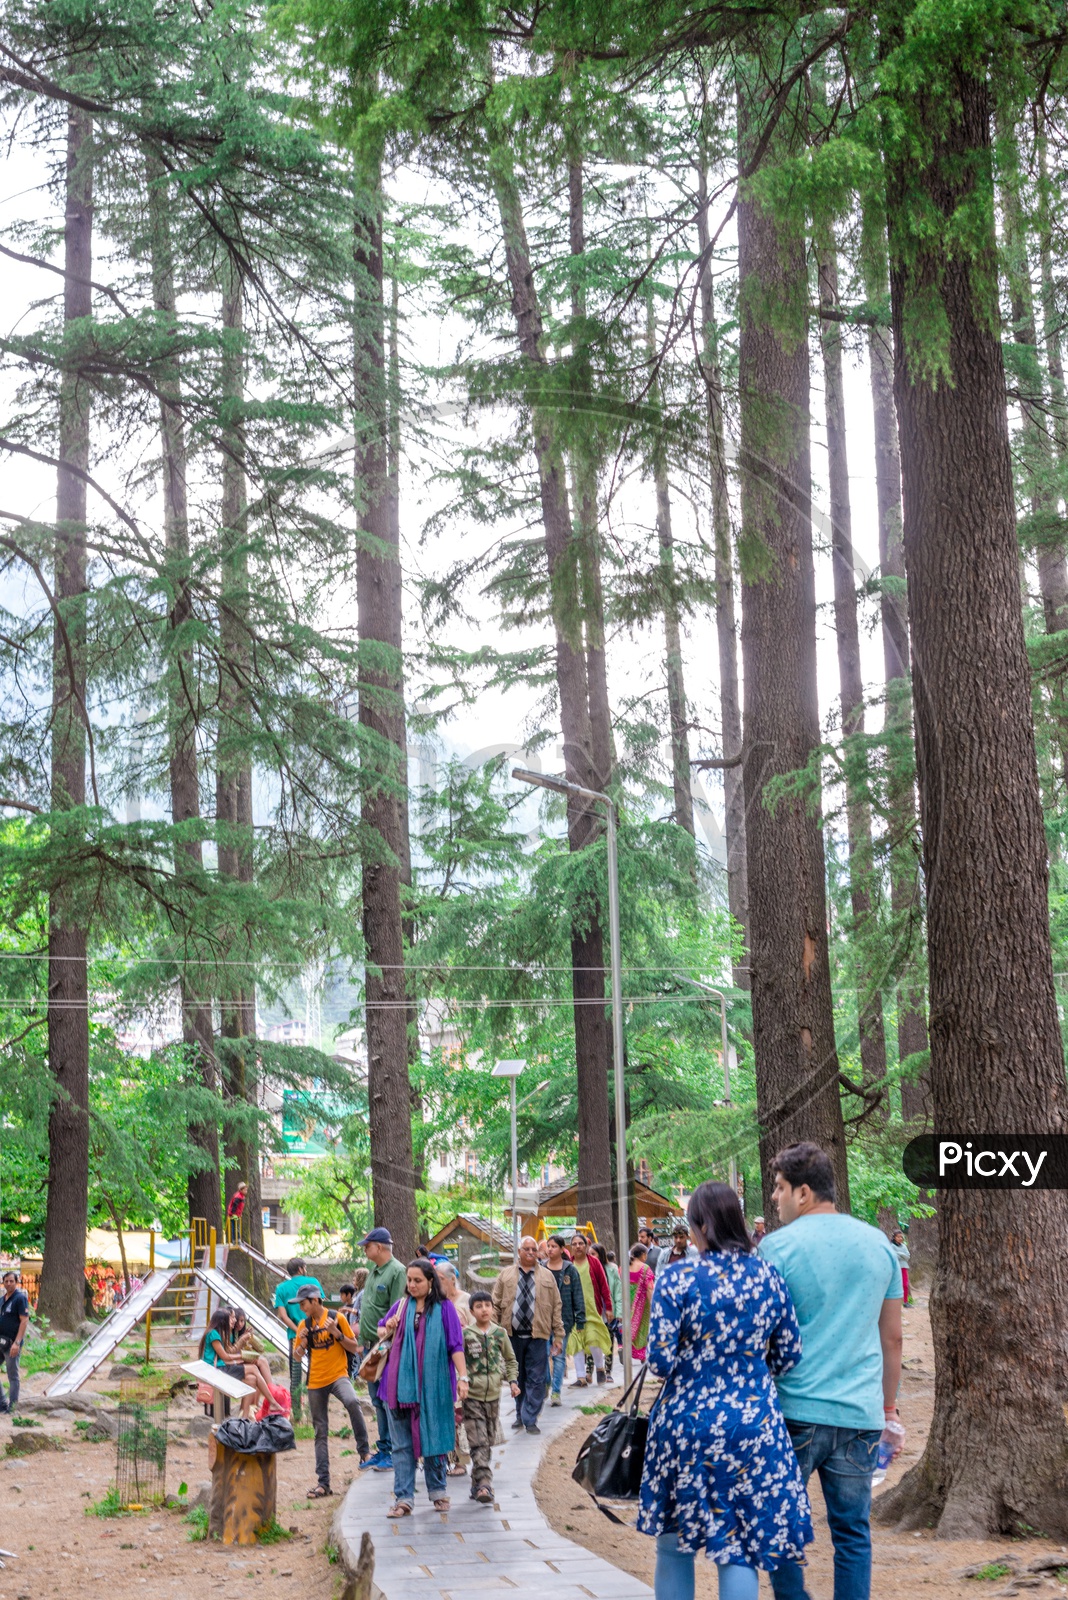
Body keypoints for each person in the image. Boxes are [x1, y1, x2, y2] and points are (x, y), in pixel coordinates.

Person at [637, 1180, 813, 1600]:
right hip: (753, 1426)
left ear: (700, 1225)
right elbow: (789, 1354)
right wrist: (750, 1371)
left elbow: (659, 1361)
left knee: (674, 1543)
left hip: (686, 1425)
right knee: (739, 1548)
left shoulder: (677, 1277)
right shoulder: (768, 1275)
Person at [759, 1142, 904, 1600]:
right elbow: (892, 1339)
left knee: (778, 1520)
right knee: (853, 1532)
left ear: (803, 1193)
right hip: (860, 1412)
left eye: (779, 1188)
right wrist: (888, 1408)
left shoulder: (775, 1247)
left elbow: (763, 1334)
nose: (775, 1198)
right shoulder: (880, 1245)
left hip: (793, 1408)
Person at [378, 1258, 469, 1518]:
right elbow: (381, 1330)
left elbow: (455, 1345)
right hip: (398, 1387)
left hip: (434, 1389)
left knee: (434, 1437)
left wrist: (463, 1377)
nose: (412, 1285)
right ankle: (404, 1499)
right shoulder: (401, 1306)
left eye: (418, 1280)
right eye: (409, 1280)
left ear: (431, 1282)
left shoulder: (445, 1309)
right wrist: (388, 1327)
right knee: (401, 1446)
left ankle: (438, 1492)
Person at [293, 1285, 370, 1495]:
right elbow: (297, 1357)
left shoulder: (337, 1318)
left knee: (352, 1401)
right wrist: (303, 1343)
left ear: (315, 1300)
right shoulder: (304, 1325)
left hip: (338, 1376)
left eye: (303, 1303)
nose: (301, 1308)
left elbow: (354, 1347)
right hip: (315, 1382)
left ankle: (364, 1452)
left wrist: (336, 1333)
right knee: (320, 1430)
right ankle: (323, 1483)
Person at [491, 1235, 563, 1432]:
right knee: (518, 1377)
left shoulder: (547, 1276)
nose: (531, 1252)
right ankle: (519, 1414)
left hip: (538, 1336)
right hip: (512, 1335)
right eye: (527, 1249)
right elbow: (495, 1304)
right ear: (519, 1252)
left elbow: (556, 1306)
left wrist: (558, 1335)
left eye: (534, 1249)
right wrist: (493, 1332)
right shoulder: (506, 1275)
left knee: (537, 1378)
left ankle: (530, 1418)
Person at [358, 1227, 409, 1472]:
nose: (365, 1250)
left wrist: (389, 1346)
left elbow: (397, 1313)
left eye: (367, 1246)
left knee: (388, 1400)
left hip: (386, 1348)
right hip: (370, 1347)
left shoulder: (397, 1271)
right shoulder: (373, 1273)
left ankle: (394, 1452)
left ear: (379, 1247)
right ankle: (384, 1449)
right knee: (377, 1401)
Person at [463, 1289, 519, 1505]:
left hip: (494, 1396)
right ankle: (485, 1484)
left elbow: (510, 1359)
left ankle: (476, 1483)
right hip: (472, 1396)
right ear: (472, 1311)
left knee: (487, 1440)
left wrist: (512, 1381)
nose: (484, 1309)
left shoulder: (500, 1334)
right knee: (478, 1441)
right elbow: (458, 1361)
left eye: (487, 1305)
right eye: (479, 1306)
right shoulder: (466, 1335)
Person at [200, 1308, 285, 1418]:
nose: (234, 1320)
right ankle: (272, 1401)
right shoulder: (214, 1334)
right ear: (223, 1320)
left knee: (252, 1379)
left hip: (221, 1367)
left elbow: (228, 1353)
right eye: (232, 1318)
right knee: (254, 1368)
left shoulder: (220, 1333)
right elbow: (225, 1356)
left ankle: (244, 1417)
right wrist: (243, 1356)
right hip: (216, 1370)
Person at [273, 1256, 324, 1422]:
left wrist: (299, 1330)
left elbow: (283, 1315)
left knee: (295, 1376)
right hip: (317, 1333)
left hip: (295, 1338)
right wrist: (312, 1328)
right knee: (316, 1371)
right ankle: (316, 1412)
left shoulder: (281, 1288)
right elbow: (321, 1307)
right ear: (301, 1268)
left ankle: (296, 1414)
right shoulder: (313, 1282)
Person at [565, 1232, 613, 1387]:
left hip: (592, 1309)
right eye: (574, 1244)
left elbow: (604, 1285)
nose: (578, 1246)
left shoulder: (594, 1262)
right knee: (576, 1341)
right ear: (571, 1247)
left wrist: (609, 1307)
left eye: (581, 1243)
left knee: (593, 1339)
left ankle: (600, 1367)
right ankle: (581, 1377)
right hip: (574, 1312)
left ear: (586, 1246)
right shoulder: (568, 1265)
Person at [545, 1234, 585, 1406]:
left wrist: (580, 1318)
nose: (550, 1249)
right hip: (543, 1320)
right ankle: (547, 1383)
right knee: (543, 1355)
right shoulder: (541, 1269)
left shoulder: (570, 1270)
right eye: (548, 1246)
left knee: (559, 1357)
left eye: (554, 1246)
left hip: (564, 1320)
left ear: (562, 1249)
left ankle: (556, 1392)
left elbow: (578, 1294)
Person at [590, 1243, 623, 1379]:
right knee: (591, 1339)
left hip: (609, 1311)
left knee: (608, 1340)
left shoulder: (612, 1269)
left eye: (593, 1254)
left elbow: (618, 1292)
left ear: (601, 1255)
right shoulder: (587, 1268)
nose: (591, 1257)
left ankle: (608, 1372)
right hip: (593, 1310)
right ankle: (589, 1370)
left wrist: (618, 1312)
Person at [0, 1271, 29, 1414]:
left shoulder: (20, 1298)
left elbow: (24, 1320)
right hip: (1, 1341)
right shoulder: (2, 1299)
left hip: (12, 1343)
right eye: (6, 1281)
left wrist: (17, 1343)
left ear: (16, 1282)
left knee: (12, 1375)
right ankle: (2, 1404)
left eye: (11, 1281)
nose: (9, 1283)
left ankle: (12, 1407)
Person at [628, 1243, 656, 1362]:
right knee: (643, 1328)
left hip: (627, 1302)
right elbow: (649, 1288)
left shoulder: (624, 1267)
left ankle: (626, 1348)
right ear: (643, 1254)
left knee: (629, 1326)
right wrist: (653, 1304)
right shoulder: (645, 1268)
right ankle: (643, 1354)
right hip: (642, 1304)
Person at [891, 1230, 911, 1307]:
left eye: (901, 1237)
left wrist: (899, 1253)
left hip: (903, 1267)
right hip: (895, 1268)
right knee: (895, 1285)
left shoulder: (904, 1246)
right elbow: (894, 1256)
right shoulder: (891, 1246)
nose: (900, 1238)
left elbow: (907, 1256)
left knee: (905, 1284)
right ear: (894, 1237)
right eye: (898, 1237)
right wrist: (902, 1255)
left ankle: (905, 1302)